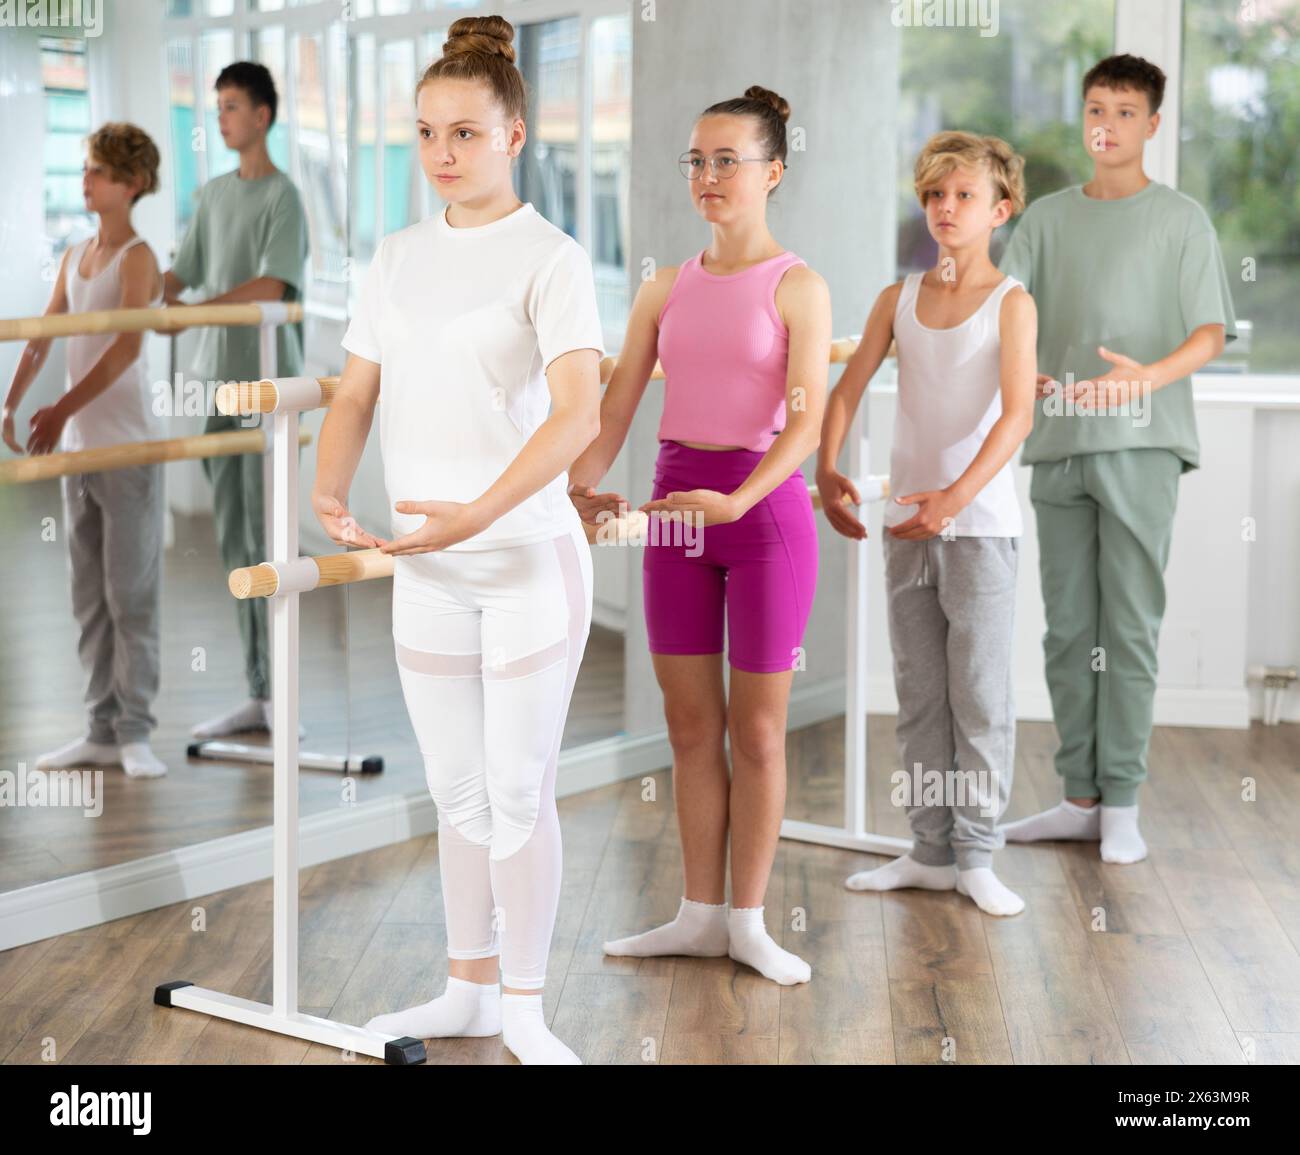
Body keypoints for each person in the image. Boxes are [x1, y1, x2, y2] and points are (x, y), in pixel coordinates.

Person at [312, 16, 604, 1064]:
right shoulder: (392, 259)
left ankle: (525, 1003)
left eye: (466, 133)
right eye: (428, 132)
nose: (443, 153)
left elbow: (576, 415)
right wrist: (329, 484)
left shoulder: (551, 258)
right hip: (423, 570)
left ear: (514, 135)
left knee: (518, 788)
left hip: (526, 559)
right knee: (458, 791)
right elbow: (354, 392)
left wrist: (480, 511)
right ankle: (467, 989)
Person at [568, 86, 832, 985]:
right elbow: (616, 406)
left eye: (729, 160)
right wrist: (580, 485)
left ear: (773, 172)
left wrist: (741, 497)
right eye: (698, 160)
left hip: (764, 518)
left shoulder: (799, 286)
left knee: (757, 733)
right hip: (675, 510)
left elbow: (803, 424)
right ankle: (698, 913)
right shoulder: (662, 286)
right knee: (688, 725)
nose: (710, 176)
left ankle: (751, 920)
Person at [997, 54, 1237, 864]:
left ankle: (1123, 802)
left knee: (1128, 628)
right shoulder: (1045, 221)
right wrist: (1016, 368)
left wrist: (1146, 378)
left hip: (1146, 445)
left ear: (1152, 124)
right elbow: (1007, 307)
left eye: (1126, 110)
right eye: (1096, 106)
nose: (1108, 121)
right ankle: (1079, 798)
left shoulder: (1182, 220)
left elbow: (1209, 331)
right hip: (1058, 445)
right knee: (1069, 631)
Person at [819, 131, 1036, 915]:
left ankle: (977, 853)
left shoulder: (1013, 304)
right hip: (908, 526)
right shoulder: (897, 298)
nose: (946, 208)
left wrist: (953, 496)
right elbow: (844, 390)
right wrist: (827, 462)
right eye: (934, 196)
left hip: (978, 530)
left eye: (964, 196)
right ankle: (928, 848)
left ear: (999, 209)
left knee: (977, 694)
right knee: (918, 694)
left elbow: (1016, 417)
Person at [2, 123, 168, 777]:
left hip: (127, 448)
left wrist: (59, 407)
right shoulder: (75, 256)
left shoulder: (140, 257)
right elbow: (43, 333)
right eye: (85, 169)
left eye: (98, 171)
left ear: (132, 184)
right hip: (78, 452)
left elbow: (125, 348)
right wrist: (11, 400)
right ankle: (99, 726)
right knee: (87, 595)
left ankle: (135, 730)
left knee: (131, 592)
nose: (86, 180)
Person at [163, 61, 310, 740]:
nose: (220, 118)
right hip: (219, 382)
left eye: (230, 107)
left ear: (262, 116)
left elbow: (271, 287)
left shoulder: (284, 198)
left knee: (264, 537)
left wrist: (196, 310)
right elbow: (182, 274)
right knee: (233, 538)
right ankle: (259, 689)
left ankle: (281, 690)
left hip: (266, 388)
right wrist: (144, 284)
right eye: (216, 106)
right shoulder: (213, 195)